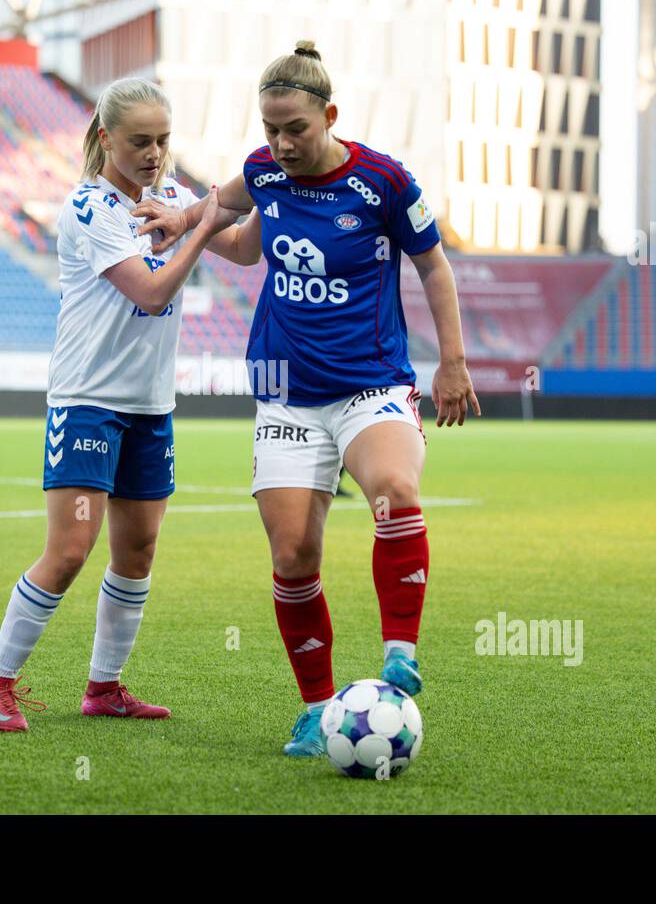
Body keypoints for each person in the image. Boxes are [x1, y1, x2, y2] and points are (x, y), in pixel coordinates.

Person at [136, 41, 481, 757]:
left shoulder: (385, 181)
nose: (282, 144)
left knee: (395, 491)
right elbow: (223, 217)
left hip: (371, 384)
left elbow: (434, 268)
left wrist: (452, 361)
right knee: (294, 554)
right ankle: (318, 709)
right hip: (285, 395)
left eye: (296, 128)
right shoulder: (265, 172)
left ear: (329, 115)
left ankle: (400, 652)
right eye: (270, 129)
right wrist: (184, 225)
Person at [0, 77, 255, 732]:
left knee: (138, 552)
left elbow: (241, 248)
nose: (155, 154)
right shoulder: (89, 209)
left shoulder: (174, 198)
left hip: (150, 406)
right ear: (105, 138)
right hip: (88, 401)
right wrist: (206, 220)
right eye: (140, 141)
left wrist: (279, 187)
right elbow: (151, 293)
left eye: (163, 141)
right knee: (71, 549)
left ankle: (103, 688)